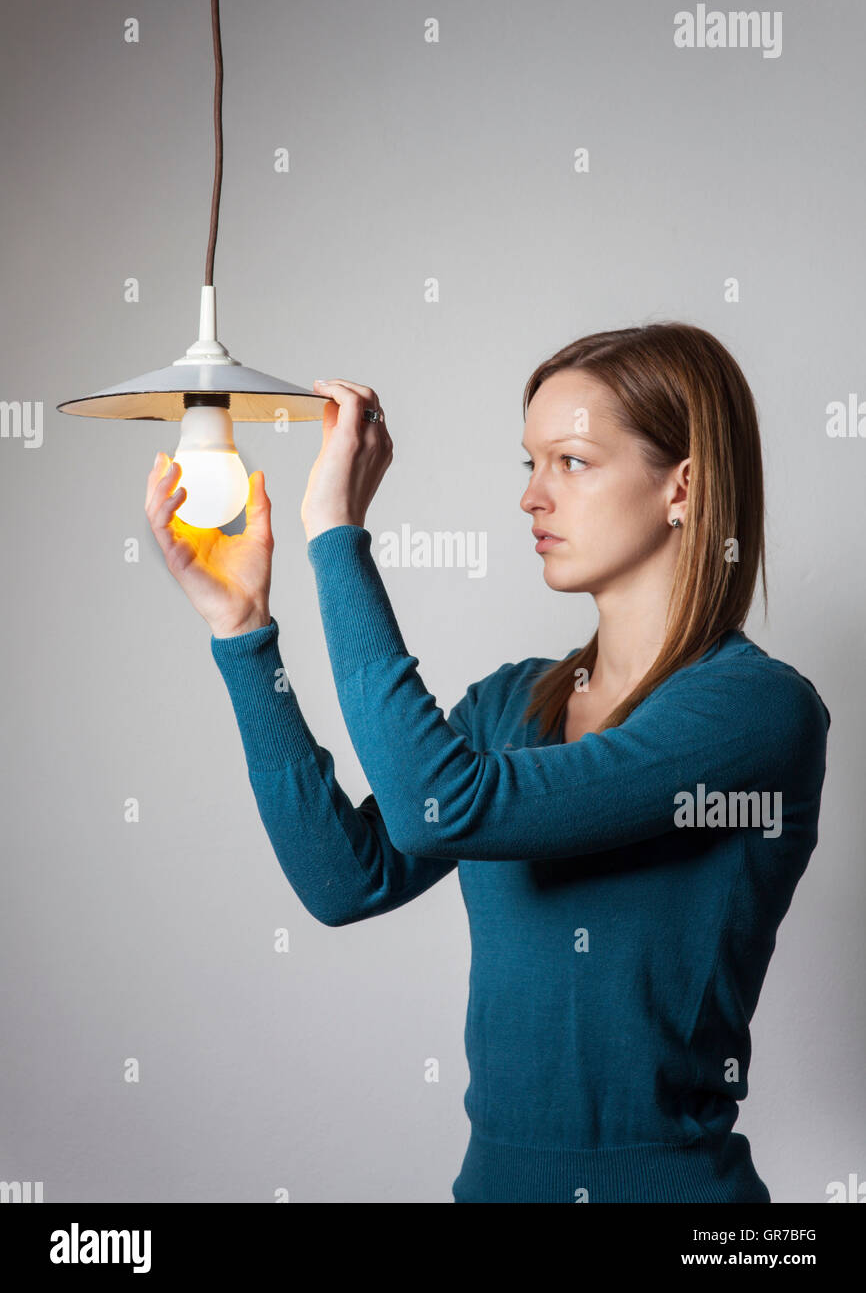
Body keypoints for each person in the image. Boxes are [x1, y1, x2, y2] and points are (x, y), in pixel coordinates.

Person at [144, 321, 830, 1204]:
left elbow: (446, 804)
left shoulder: (755, 711)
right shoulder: (513, 704)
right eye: (528, 464)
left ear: (683, 486)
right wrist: (242, 633)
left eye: (572, 462)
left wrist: (336, 535)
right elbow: (345, 882)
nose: (532, 499)